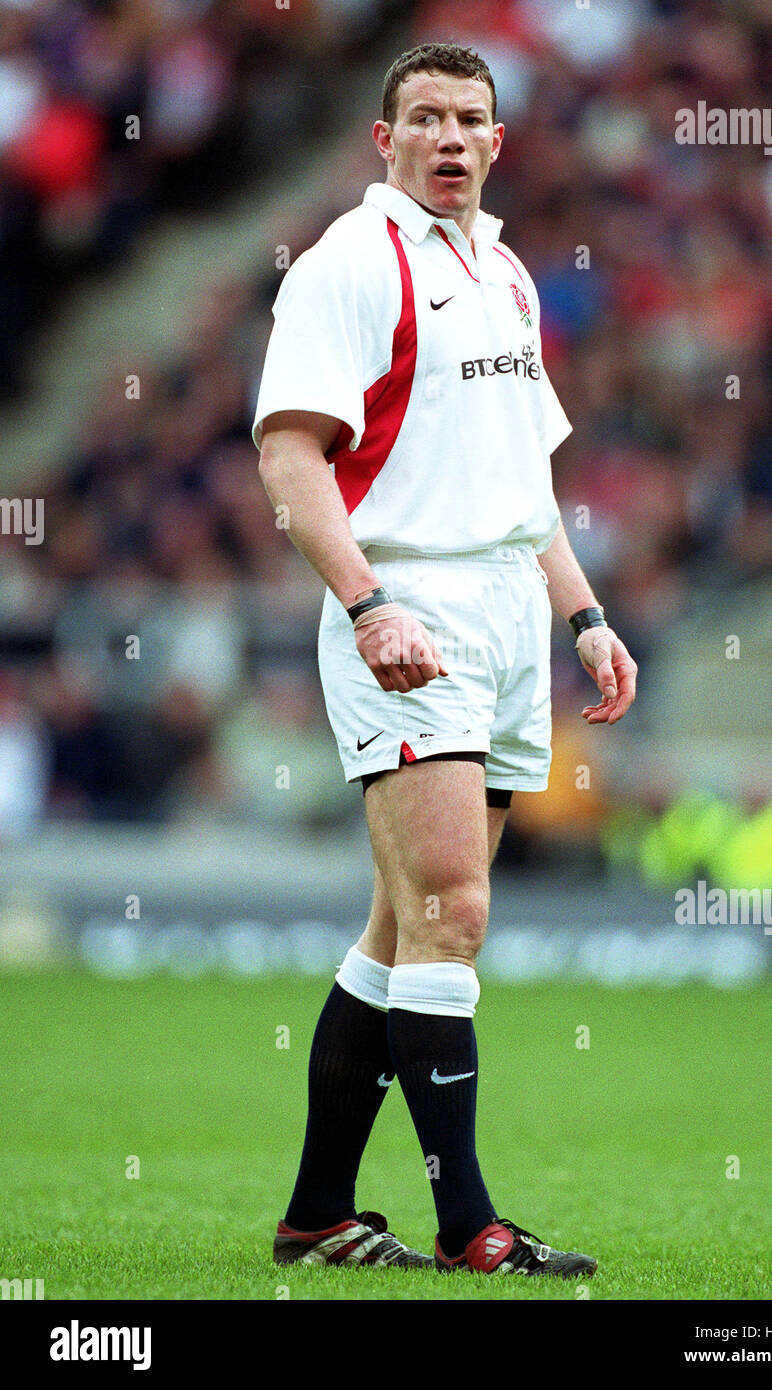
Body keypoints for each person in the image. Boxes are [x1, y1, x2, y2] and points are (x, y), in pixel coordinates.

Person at [253, 42, 637, 1279]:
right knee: (453, 911)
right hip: (405, 609)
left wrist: (582, 616)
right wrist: (368, 605)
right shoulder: (348, 264)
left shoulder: (508, 273)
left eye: (469, 118)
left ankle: (317, 1214)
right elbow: (291, 460)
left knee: (402, 926)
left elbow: (526, 486)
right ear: (385, 139)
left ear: (496, 140)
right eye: (424, 117)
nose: (449, 138)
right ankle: (469, 1221)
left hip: (507, 613)